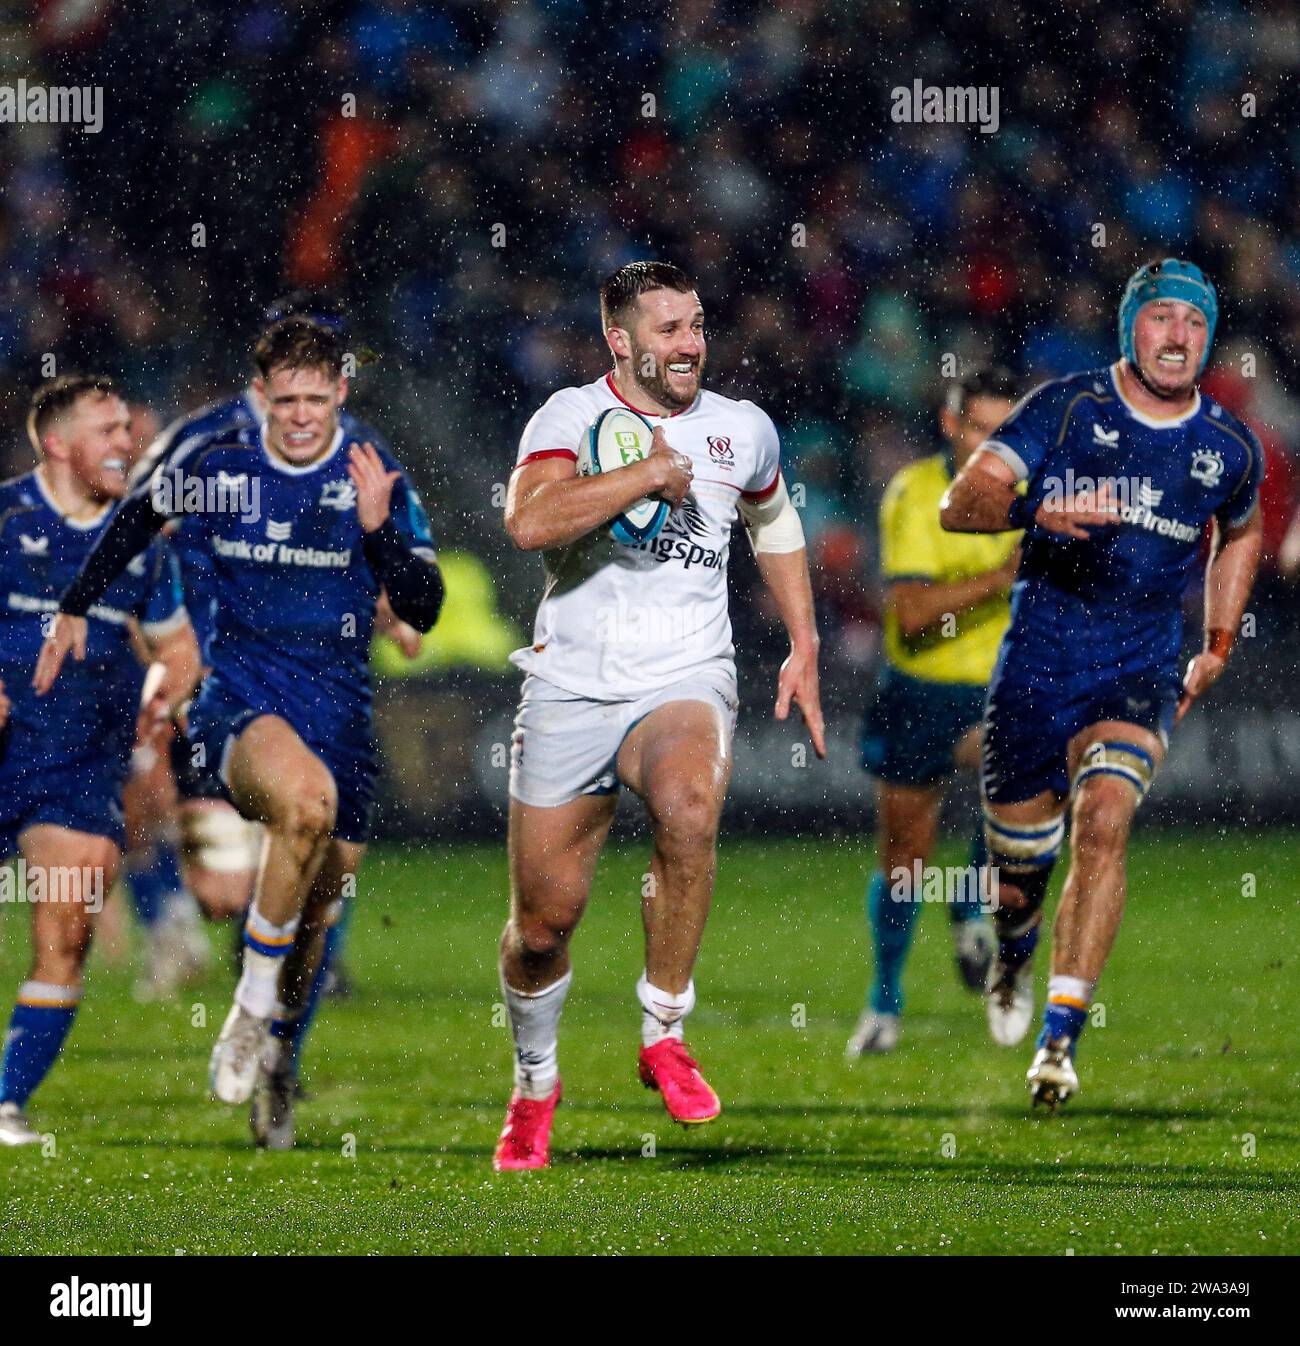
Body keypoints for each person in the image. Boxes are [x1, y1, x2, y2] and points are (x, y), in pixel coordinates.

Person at [33, 320, 444, 1148]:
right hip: (236, 694)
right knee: (302, 804)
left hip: (340, 708)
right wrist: (78, 605)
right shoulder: (214, 456)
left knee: (318, 919)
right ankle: (249, 1004)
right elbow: (132, 524)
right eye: (283, 400)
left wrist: (380, 534)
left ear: (342, 394)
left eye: (315, 401)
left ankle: (278, 1055)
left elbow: (424, 605)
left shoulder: (372, 468)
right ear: (259, 394)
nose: (299, 417)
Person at [496, 261, 824, 1169]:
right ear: (620, 341)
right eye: (669, 330)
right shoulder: (567, 416)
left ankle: (664, 1028)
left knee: (689, 806)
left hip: (684, 674)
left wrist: (803, 640)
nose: (689, 344)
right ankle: (534, 1084)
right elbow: (530, 524)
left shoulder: (740, 428)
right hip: (571, 683)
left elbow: (774, 518)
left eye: (696, 324)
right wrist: (645, 475)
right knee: (540, 929)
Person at [939, 260, 1263, 1107]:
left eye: (1194, 323)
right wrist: (1031, 506)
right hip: (1038, 669)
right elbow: (960, 504)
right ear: (1132, 328)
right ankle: (1013, 955)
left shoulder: (1227, 446)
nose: (1178, 336)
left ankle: (1059, 1039)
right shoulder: (1068, 405)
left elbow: (1243, 529)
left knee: (1106, 820)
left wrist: (1217, 640)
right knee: (1018, 876)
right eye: (1161, 318)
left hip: (1139, 669)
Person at [0, 375, 198, 1145]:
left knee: (66, 935)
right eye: (109, 430)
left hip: (79, 766)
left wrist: (167, 693)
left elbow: (177, 647)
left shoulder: (139, 542)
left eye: (128, 429)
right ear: (57, 443)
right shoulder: (7, 518)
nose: (127, 442)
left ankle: (6, 1102)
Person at [847, 366, 1019, 1058]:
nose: (995, 445)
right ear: (952, 426)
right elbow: (913, 615)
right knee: (905, 860)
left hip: (1001, 687)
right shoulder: (916, 494)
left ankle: (972, 899)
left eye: (1006, 430)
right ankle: (885, 1000)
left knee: (1023, 791)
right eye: (982, 428)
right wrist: (999, 579)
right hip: (919, 691)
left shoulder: (1033, 492)